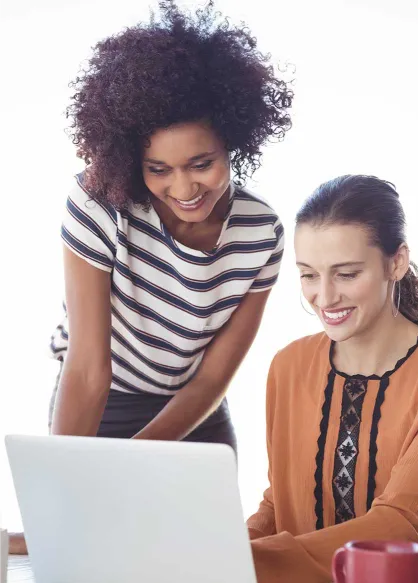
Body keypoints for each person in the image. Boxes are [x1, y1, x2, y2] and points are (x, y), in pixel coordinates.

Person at [8, 1, 292, 554]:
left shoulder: (261, 232)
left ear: (234, 141)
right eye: (158, 169)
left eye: (202, 163)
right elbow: (88, 367)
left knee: (194, 579)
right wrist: (79, 480)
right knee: (75, 554)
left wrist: (137, 464)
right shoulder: (99, 203)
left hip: (195, 419)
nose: (184, 187)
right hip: (100, 406)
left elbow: (212, 380)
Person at [246, 175, 418, 583]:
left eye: (346, 274)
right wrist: (220, 556)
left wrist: (251, 563)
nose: (324, 297)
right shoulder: (288, 366)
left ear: (396, 263)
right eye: (308, 275)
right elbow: (278, 505)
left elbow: (398, 525)